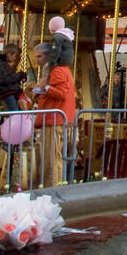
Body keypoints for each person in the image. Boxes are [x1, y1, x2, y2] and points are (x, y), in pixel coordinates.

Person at [30, 39, 76, 187]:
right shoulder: (59, 70)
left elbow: (62, 93)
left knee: (51, 157)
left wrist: (46, 88)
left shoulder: (57, 70)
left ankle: (52, 187)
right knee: (51, 156)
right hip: (54, 118)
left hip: (55, 118)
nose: (37, 60)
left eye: (39, 57)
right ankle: (51, 184)